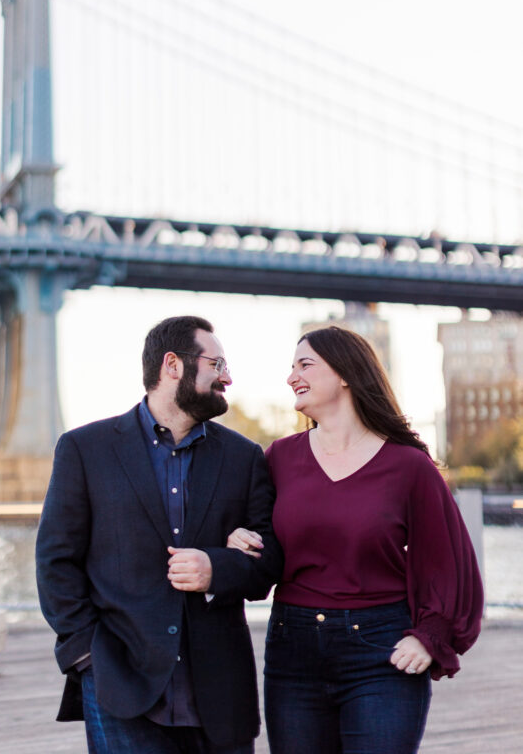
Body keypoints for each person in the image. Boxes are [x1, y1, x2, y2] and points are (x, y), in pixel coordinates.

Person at [228, 325, 483, 754]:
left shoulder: (409, 466)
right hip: (293, 653)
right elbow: (260, 541)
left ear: (345, 373)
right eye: (291, 367)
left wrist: (429, 634)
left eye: (305, 365)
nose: (291, 377)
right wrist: (238, 536)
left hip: (382, 653)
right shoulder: (278, 458)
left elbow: (448, 561)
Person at [36, 314, 283, 754]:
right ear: (173, 365)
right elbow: (56, 561)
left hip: (219, 693)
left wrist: (217, 568)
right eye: (217, 364)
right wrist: (86, 655)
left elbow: (268, 562)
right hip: (119, 686)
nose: (227, 378)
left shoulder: (244, 457)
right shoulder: (84, 449)